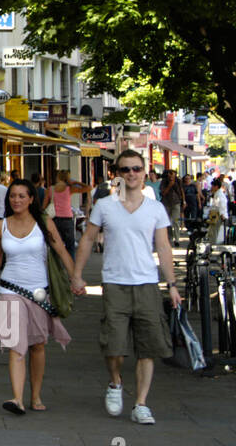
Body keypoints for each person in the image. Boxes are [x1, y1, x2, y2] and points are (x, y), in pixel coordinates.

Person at [73, 149, 180, 425]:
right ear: (116, 174)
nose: (131, 174)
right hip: (115, 282)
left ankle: (141, 403)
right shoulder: (105, 206)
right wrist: (77, 274)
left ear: (144, 173)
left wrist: (172, 284)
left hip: (146, 283)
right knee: (114, 346)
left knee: (147, 348)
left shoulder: (155, 209)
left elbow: (164, 246)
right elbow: (87, 239)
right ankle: (115, 382)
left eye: (136, 169)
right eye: (125, 169)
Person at [0, 179, 81, 414]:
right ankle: (17, 399)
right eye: (13, 196)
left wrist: (76, 278)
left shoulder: (44, 223)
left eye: (21, 196)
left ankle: (35, 396)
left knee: (37, 345)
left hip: (38, 292)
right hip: (9, 290)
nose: (16, 200)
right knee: (16, 345)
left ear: (31, 199)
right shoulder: (0, 226)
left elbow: (61, 251)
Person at [48, 170, 87, 262]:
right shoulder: (70, 189)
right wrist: (76, 182)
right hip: (67, 220)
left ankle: (56, 270)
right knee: (70, 247)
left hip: (55, 220)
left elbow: (44, 206)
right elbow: (88, 188)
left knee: (55, 247)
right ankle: (71, 269)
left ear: (58, 177)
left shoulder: (51, 189)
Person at [159, 171, 184, 241]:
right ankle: (169, 237)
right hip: (166, 203)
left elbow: (181, 191)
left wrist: (183, 201)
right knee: (167, 221)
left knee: (176, 221)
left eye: (173, 176)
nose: (171, 177)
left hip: (176, 202)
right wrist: (169, 185)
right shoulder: (164, 182)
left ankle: (177, 239)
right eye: (170, 175)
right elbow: (163, 193)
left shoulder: (178, 181)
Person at [206, 176, 229, 244]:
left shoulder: (219, 194)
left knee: (214, 231)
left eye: (212, 186)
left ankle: (212, 245)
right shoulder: (216, 194)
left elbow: (221, 205)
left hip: (218, 215)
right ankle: (211, 244)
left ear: (216, 186)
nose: (211, 187)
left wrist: (222, 214)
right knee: (212, 231)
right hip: (215, 214)